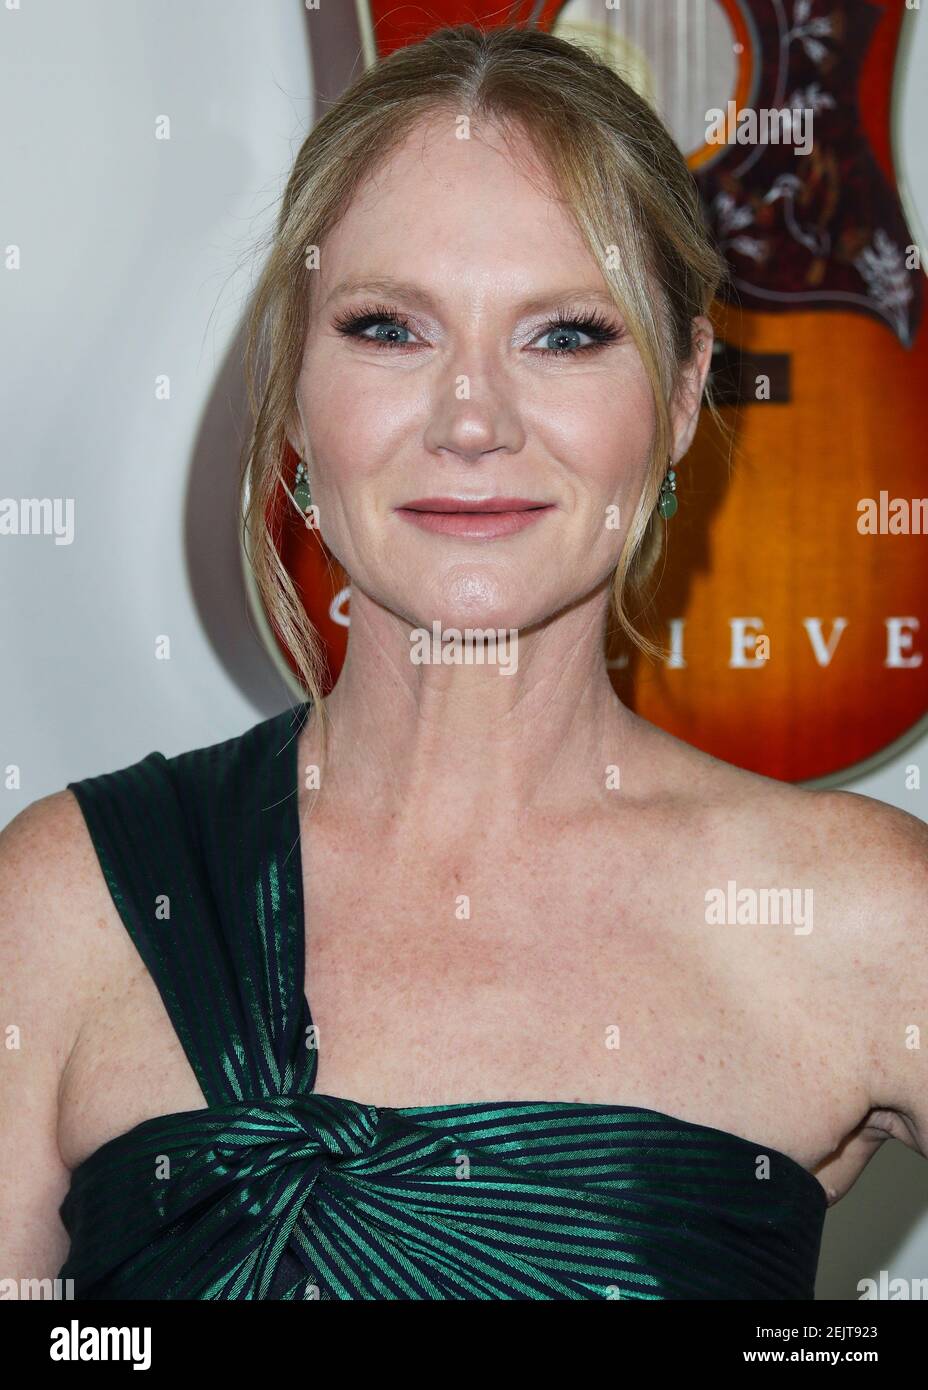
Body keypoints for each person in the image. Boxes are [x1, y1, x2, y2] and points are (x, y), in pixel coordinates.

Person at [1, 24, 924, 1301]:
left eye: (565, 335)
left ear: (678, 396)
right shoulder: (68, 902)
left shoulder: (865, 917)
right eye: (388, 328)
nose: (472, 419)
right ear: (294, 390)